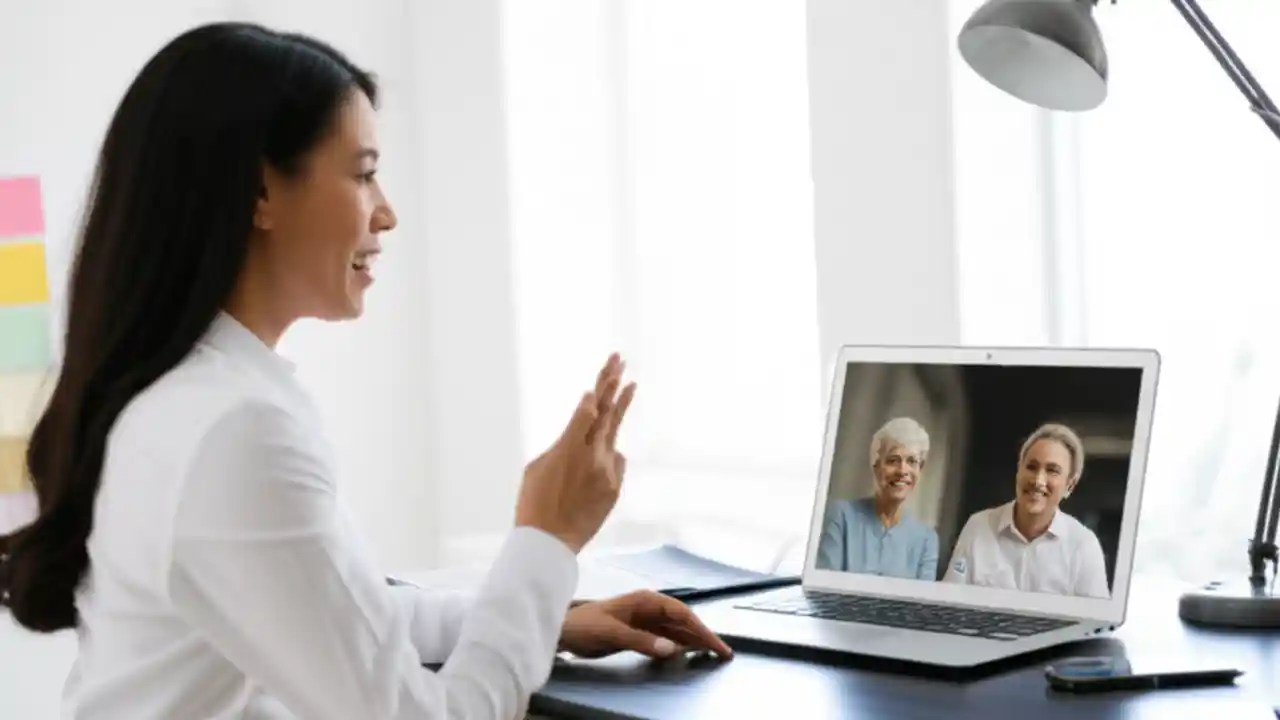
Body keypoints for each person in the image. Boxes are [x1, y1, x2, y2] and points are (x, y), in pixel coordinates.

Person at [0, 23, 730, 720]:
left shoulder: (186, 397)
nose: (386, 216)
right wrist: (547, 537)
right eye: (364, 176)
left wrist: (551, 615)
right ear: (259, 192)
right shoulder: (233, 429)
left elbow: (337, 615)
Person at [943, 423, 1109, 599]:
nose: (1038, 480)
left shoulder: (1083, 545)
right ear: (1018, 470)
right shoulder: (978, 526)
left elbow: (1094, 623)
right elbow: (949, 601)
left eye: (1052, 471)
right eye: (1031, 467)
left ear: (1070, 485)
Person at [816, 417, 940, 580]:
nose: (903, 470)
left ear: (920, 469)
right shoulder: (840, 516)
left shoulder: (926, 540)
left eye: (912, 461)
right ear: (875, 465)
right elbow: (825, 588)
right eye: (893, 460)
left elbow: (921, 602)